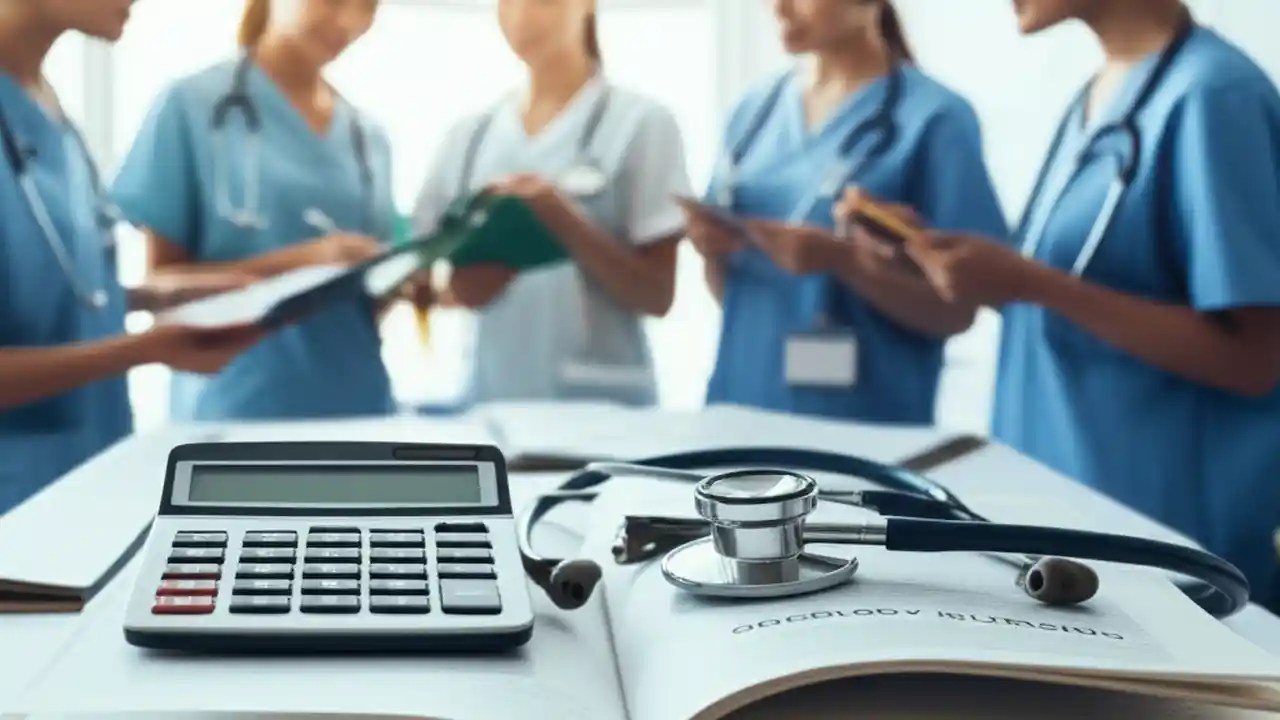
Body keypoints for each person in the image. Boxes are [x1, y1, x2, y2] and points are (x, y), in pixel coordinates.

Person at [896, 0, 1280, 606]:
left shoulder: (1215, 96)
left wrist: (1032, 282)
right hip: (1070, 529)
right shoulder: (1099, 95)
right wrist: (959, 266)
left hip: (1171, 559)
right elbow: (1072, 303)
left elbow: (1257, 359)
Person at [685, 0, 1007, 424]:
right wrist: (712, 251)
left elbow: (958, 310)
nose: (778, 7)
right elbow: (736, 296)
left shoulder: (935, 119)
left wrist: (843, 262)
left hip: (865, 423)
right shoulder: (752, 112)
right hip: (740, 405)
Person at [0, 0, 262, 513]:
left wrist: (153, 294)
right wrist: (145, 349)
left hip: (86, 482)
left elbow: (52, 294)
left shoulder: (49, 111)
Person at [111, 0, 401, 422]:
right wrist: (304, 262)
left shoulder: (367, 138)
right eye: (334, 1)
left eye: (368, 5)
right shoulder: (191, 106)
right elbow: (161, 287)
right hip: (236, 404)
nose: (350, 21)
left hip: (359, 404)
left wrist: (401, 276)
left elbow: (373, 298)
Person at [410, 0, 691, 407]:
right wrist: (464, 286)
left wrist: (560, 218)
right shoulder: (470, 137)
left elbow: (658, 296)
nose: (523, 16)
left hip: (606, 413)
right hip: (492, 402)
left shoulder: (641, 124)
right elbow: (429, 279)